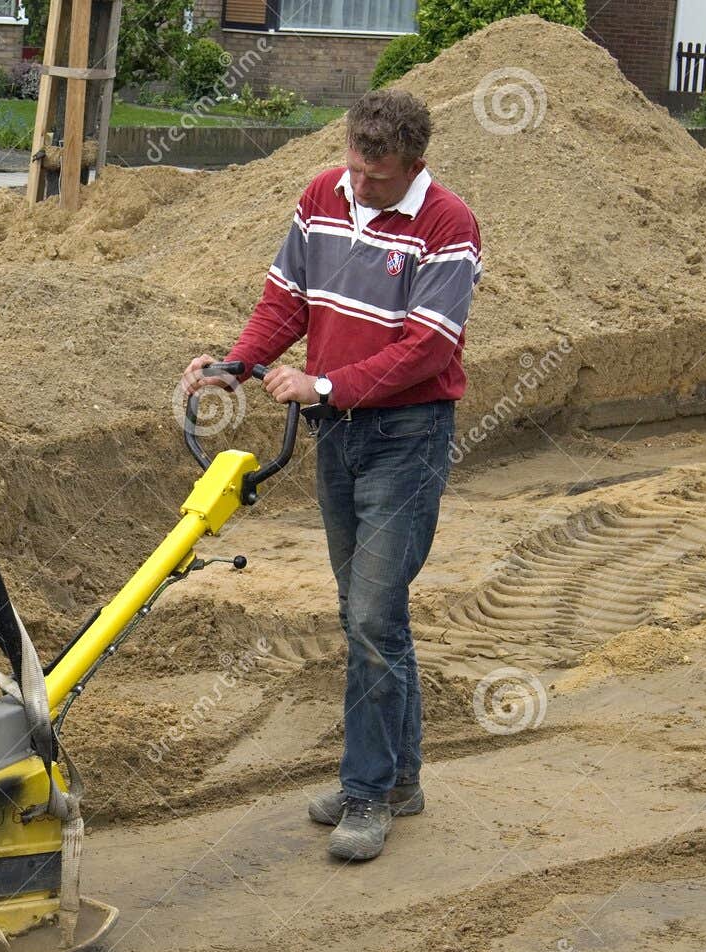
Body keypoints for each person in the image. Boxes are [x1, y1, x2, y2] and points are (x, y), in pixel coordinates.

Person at [179, 88, 482, 862]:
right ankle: (401, 779)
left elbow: (428, 348)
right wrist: (236, 365)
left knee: (374, 617)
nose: (361, 184)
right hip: (337, 437)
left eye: (377, 176)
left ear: (414, 164)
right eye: (354, 166)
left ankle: (367, 793)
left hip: (407, 438)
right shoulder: (322, 196)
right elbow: (286, 302)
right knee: (367, 614)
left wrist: (324, 385)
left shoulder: (448, 225)